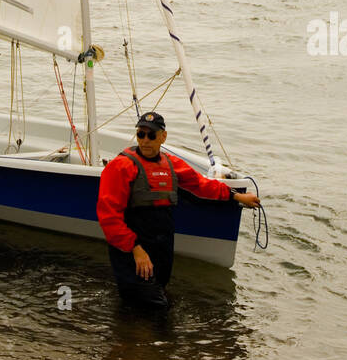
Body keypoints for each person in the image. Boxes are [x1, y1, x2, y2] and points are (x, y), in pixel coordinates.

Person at [96, 111, 260, 310]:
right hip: (133, 250)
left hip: (161, 248)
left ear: (163, 137)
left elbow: (201, 185)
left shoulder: (171, 164)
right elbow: (109, 217)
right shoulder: (120, 167)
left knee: (155, 301)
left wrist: (236, 196)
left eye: (151, 135)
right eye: (141, 134)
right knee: (154, 309)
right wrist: (136, 250)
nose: (145, 140)